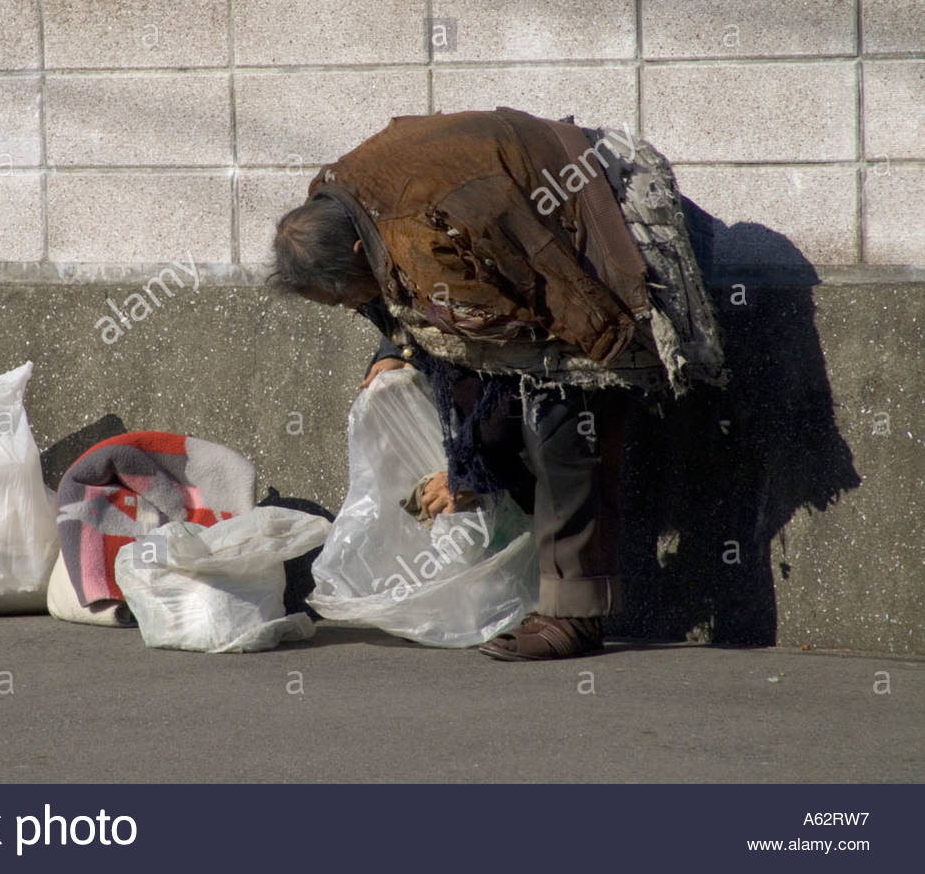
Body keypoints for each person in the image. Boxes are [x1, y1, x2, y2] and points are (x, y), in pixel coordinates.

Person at [269, 107, 725, 661]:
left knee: (563, 429)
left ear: (361, 253)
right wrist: (394, 349)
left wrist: (470, 469)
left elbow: (508, 367)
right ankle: (539, 586)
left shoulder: (423, 240)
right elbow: (410, 305)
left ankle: (573, 618)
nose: (353, 306)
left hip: (585, 219)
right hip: (512, 228)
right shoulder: (339, 198)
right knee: (517, 430)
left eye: (346, 295)